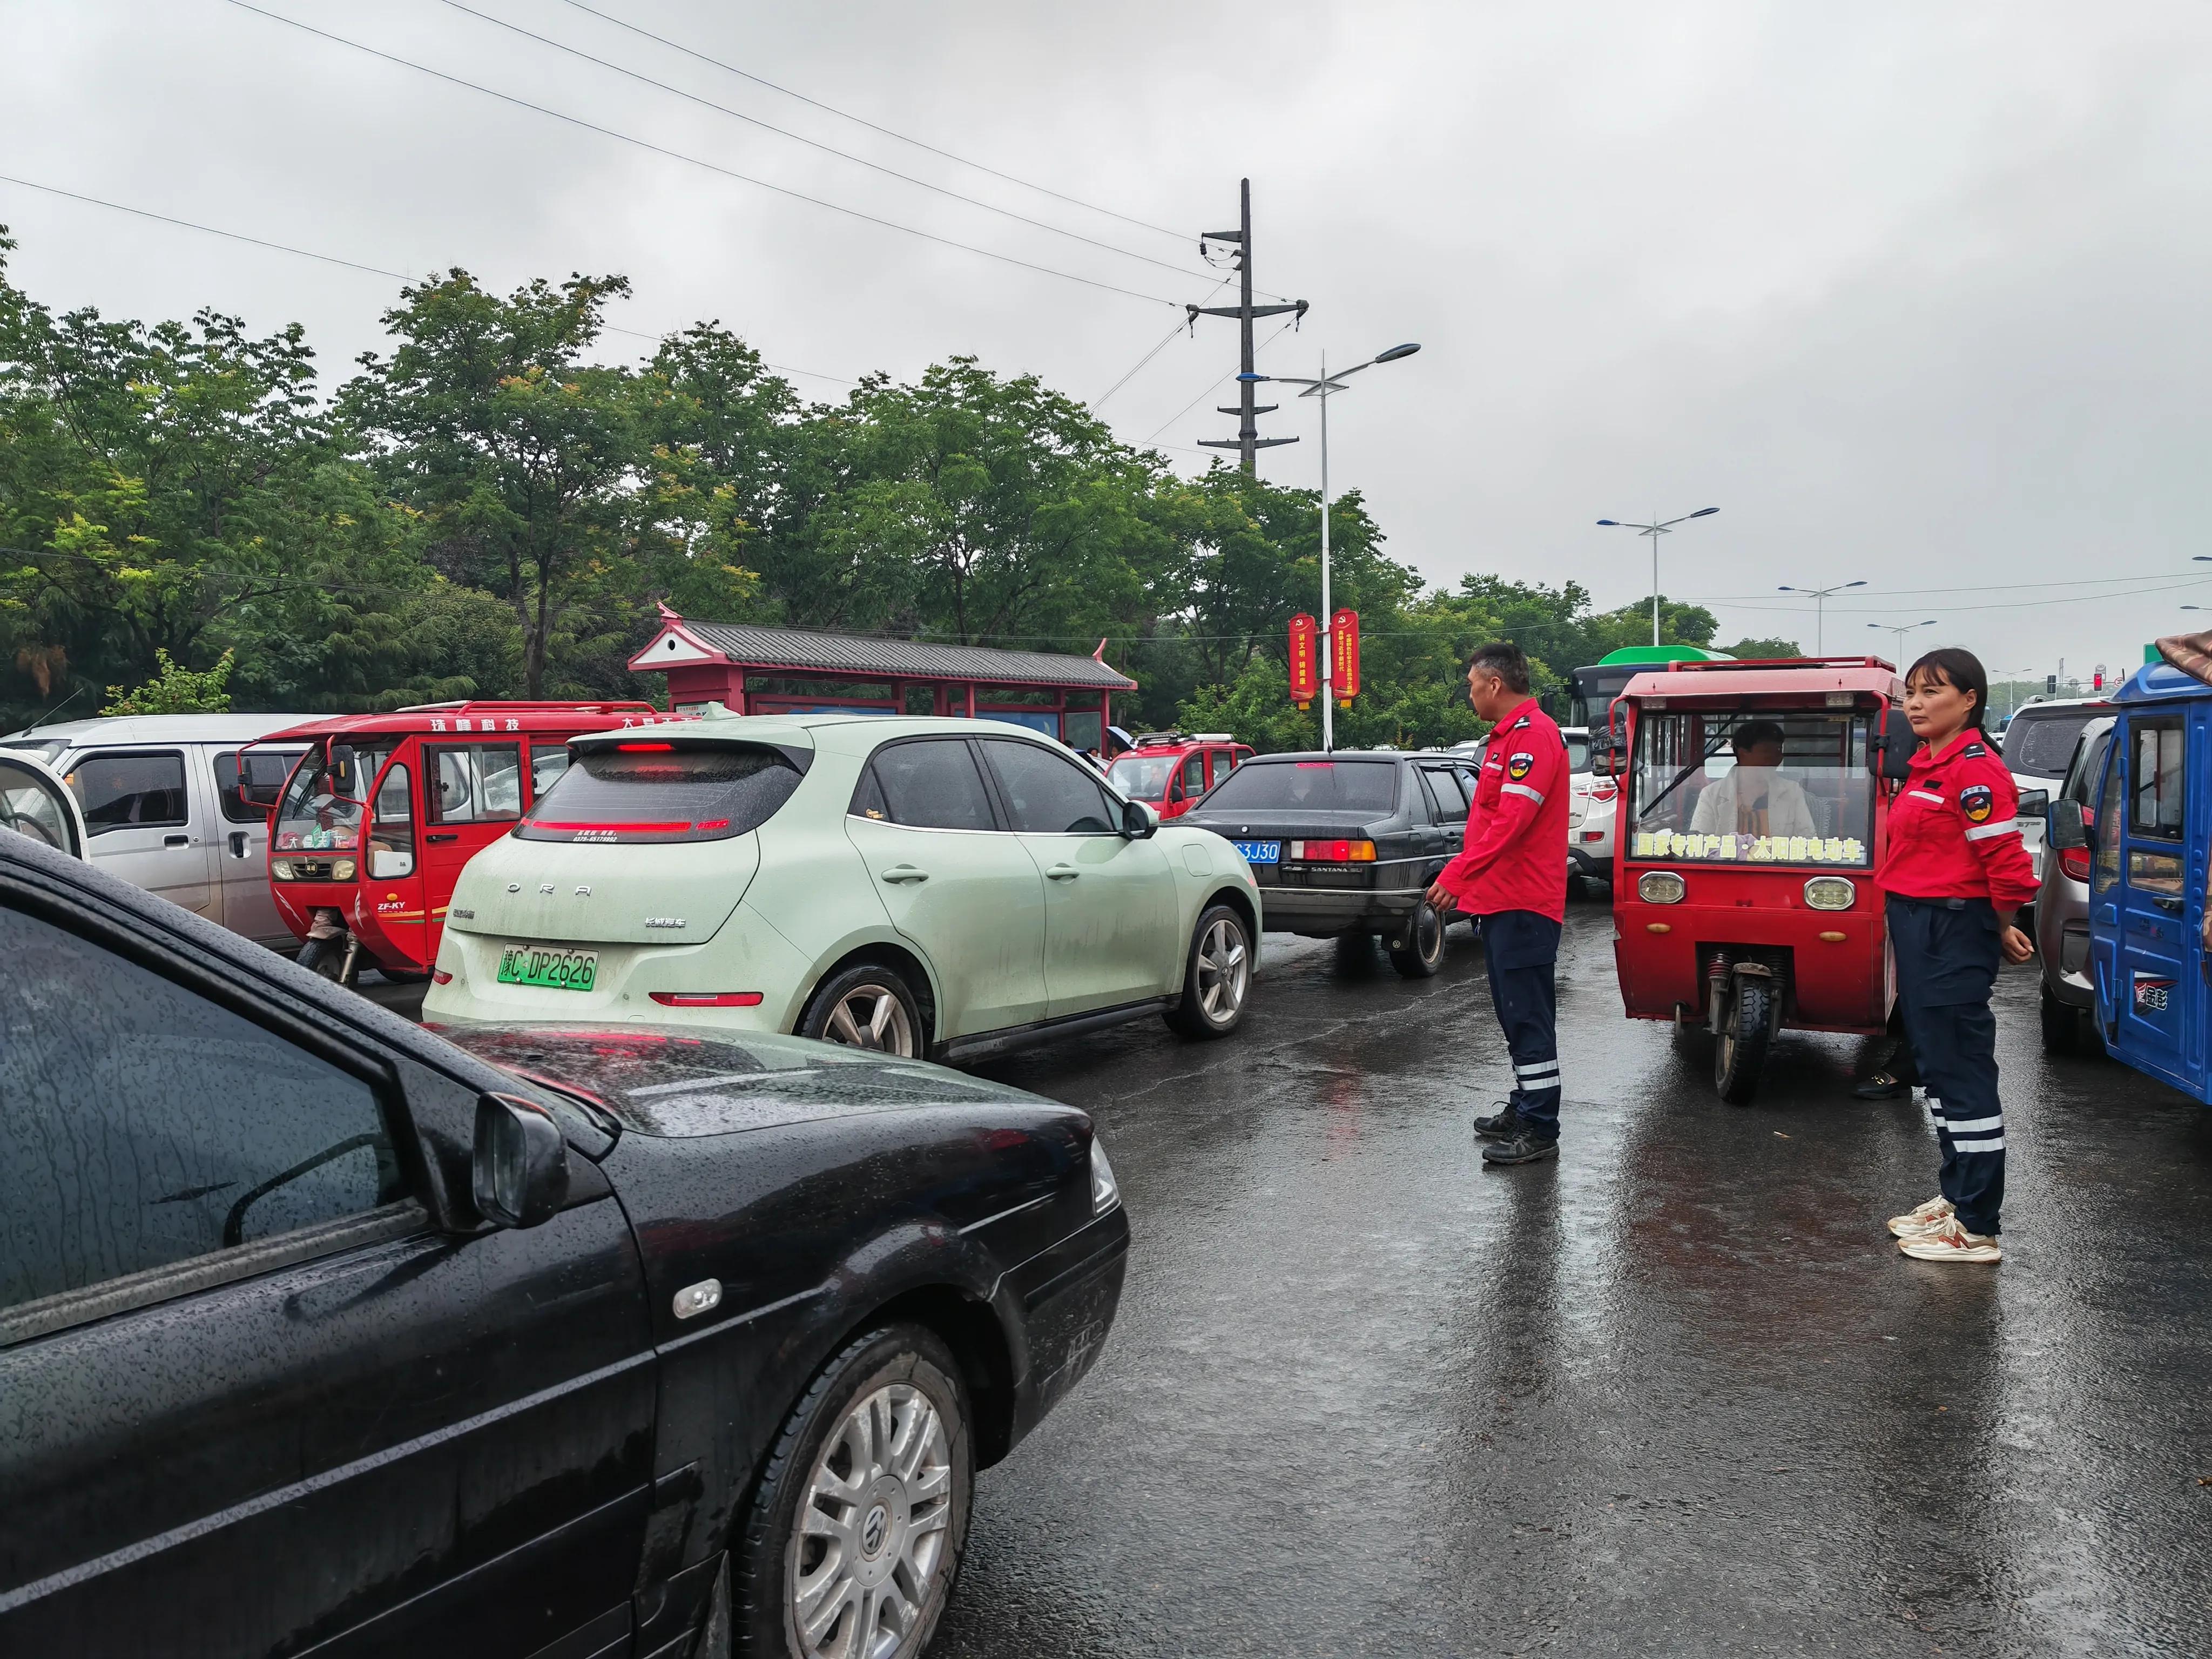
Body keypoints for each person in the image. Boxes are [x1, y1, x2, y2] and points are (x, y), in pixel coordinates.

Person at [1877, 647, 2038, 1264]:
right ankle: (1956, 1196)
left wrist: (1994, 925)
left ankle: (1975, 1225)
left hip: (1947, 931)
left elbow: (2007, 868)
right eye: (1911, 692)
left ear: (1969, 700)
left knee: (1962, 1073)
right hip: (1925, 926)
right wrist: (1994, 927)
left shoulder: (1973, 771)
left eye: (1932, 691)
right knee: (1939, 1070)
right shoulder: (1928, 766)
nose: (1915, 704)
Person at [1425, 643, 1571, 1166]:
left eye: (1470, 684)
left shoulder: (1533, 737)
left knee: (1528, 1018)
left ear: (1493, 684)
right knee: (1515, 1016)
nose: (1468, 693)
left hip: (1524, 902)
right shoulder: (1509, 738)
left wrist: (1458, 873)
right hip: (1503, 900)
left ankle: (1540, 1128)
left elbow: (1512, 822)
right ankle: (1527, 1105)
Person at [1689, 720, 1820, 839]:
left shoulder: (1792, 791)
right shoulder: (1711, 794)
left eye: (1779, 750)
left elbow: (1808, 839)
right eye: (1767, 752)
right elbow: (1698, 843)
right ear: (1743, 753)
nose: (1776, 758)